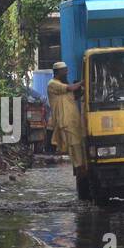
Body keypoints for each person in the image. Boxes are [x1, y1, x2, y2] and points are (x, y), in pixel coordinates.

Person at [47, 61, 87, 198]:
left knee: (79, 144)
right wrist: (83, 82)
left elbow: (73, 96)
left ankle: (81, 166)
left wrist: (81, 91)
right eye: (65, 71)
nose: (67, 73)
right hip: (65, 121)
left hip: (74, 120)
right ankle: (79, 166)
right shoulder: (53, 84)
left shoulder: (63, 87)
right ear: (58, 72)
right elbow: (70, 88)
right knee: (74, 144)